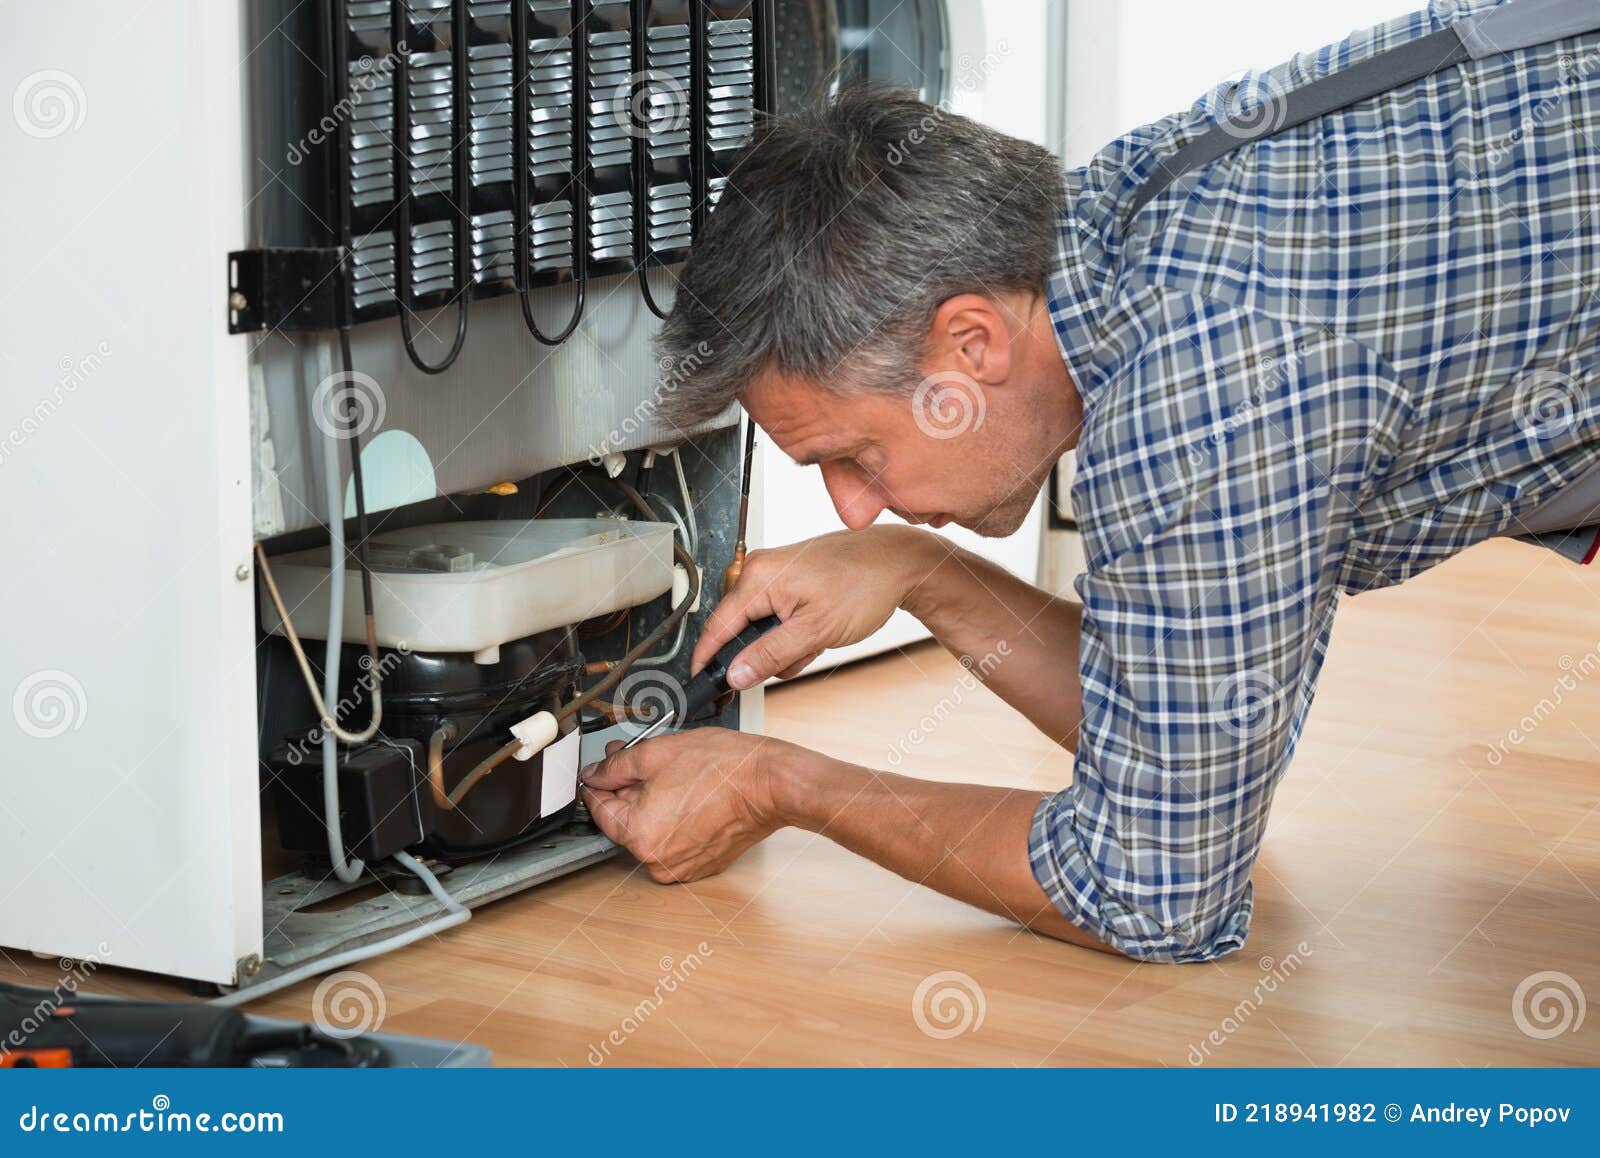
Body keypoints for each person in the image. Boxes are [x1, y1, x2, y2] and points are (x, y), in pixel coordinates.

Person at [580, 0, 1600, 961]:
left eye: (855, 457)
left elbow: (1151, 890)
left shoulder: (1193, 394)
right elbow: (1184, 729)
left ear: (971, 344)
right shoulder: (1122, 220)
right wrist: (915, 569)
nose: (851, 506)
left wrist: (782, 783)